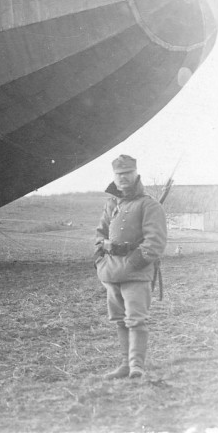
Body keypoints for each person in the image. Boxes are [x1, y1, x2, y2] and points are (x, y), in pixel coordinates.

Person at [93, 154, 167, 380]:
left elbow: (155, 241)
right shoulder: (111, 204)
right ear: (114, 177)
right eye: (119, 174)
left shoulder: (149, 204)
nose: (123, 178)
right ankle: (124, 365)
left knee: (136, 320)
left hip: (136, 272)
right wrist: (100, 260)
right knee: (119, 320)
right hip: (111, 271)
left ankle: (137, 366)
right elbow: (100, 234)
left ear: (136, 174)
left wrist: (135, 263)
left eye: (127, 173)